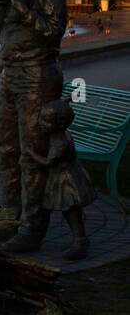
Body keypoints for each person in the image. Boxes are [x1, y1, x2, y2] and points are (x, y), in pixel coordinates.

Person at [0, 0, 68, 253]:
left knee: (32, 153)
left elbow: (53, 32)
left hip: (36, 77)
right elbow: (1, 37)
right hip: (11, 75)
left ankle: (33, 227)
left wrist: (23, 10)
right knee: (7, 148)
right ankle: (10, 212)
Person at [29, 98, 95, 259]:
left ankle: (80, 241)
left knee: (72, 210)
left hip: (67, 181)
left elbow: (49, 162)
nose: (41, 123)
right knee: (69, 212)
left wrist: (31, 153)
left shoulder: (60, 142)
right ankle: (79, 239)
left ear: (59, 124)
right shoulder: (61, 134)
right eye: (41, 118)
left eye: (46, 120)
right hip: (67, 176)